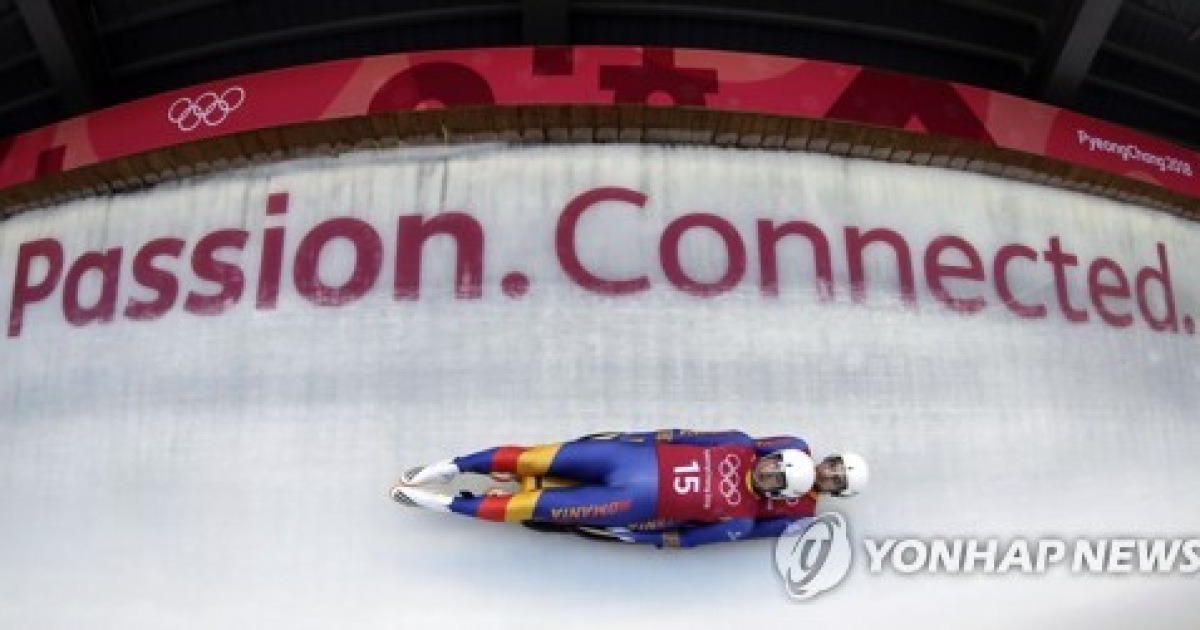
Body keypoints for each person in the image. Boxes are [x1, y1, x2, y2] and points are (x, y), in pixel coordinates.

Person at [391, 429, 868, 548]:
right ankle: (449, 466)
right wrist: (630, 436)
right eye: (772, 467)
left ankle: (441, 504)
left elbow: (688, 539)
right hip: (630, 458)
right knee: (532, 457)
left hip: (628, 502)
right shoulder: (744, 444)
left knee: (527, 507)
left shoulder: (743, 517)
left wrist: (640, 536)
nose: (768, 474)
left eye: (776, 481)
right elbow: (684, 436)